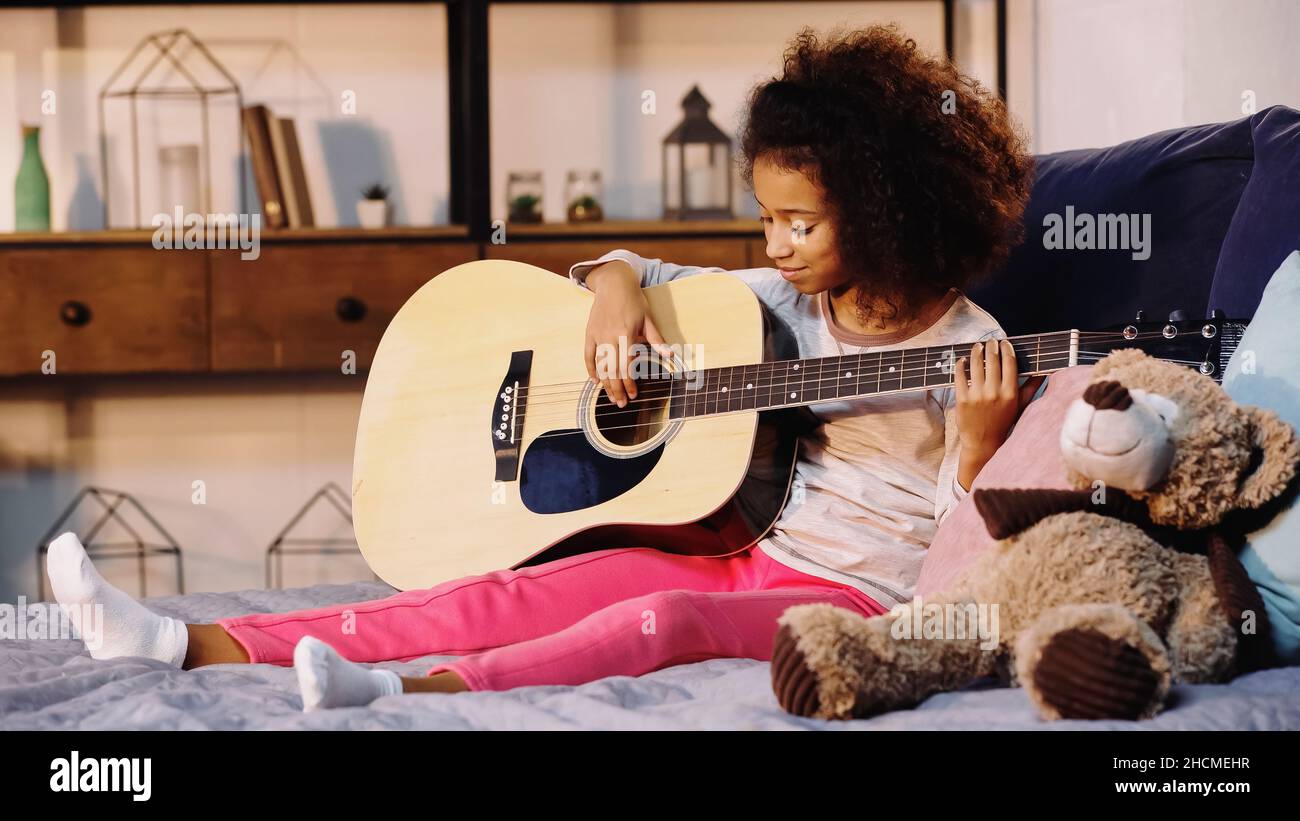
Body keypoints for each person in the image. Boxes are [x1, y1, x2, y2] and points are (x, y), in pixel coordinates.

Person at [45, 24, 1038, 711]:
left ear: (886, 209)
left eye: (799, 222)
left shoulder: (974, 342)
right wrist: (612, 292)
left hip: (860, 599)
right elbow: (633, 269)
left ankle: (415, 692)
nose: (773, 242)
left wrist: (982, 445)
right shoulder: (786, 302)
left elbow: (961, 563)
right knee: (511, 587)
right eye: (767, 216)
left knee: (664, 613)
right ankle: (187, 642)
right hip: (753, 549)